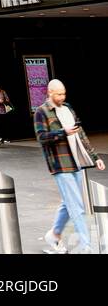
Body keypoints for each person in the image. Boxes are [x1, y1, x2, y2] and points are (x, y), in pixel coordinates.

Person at [35, 79, 104, 255]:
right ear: (50, 92)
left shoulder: (68, 108)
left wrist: (95, 157)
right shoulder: (41, 112)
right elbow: (42, 137)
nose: (62, 96)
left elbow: (81, 134)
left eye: (63, 93)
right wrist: (62, 133)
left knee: (69, 202)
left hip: (76, 161)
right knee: (77, 206)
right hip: (60, 163)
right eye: (58, 94)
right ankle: (87, 246)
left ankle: (54, 234)